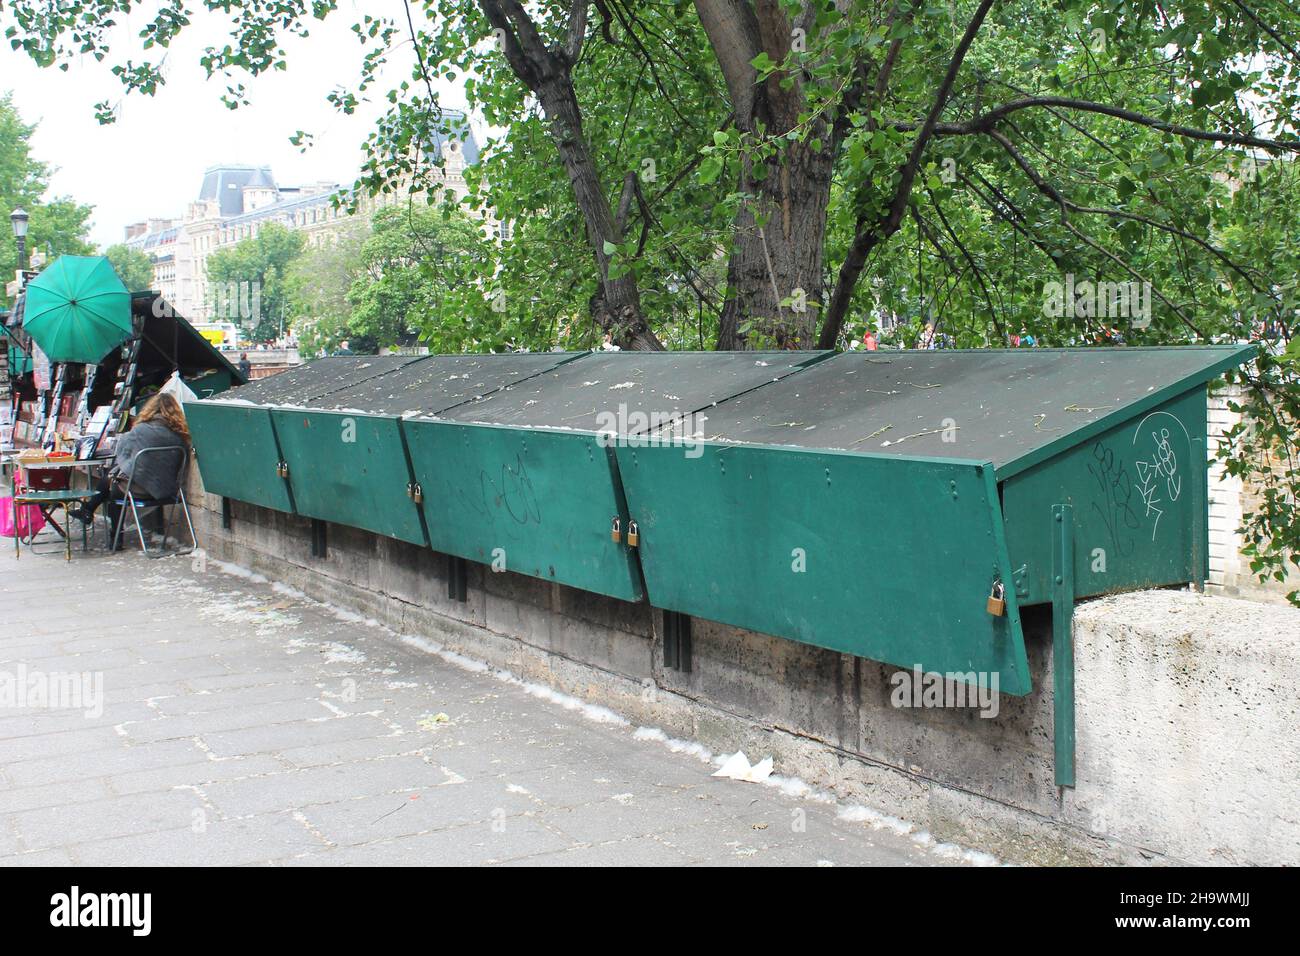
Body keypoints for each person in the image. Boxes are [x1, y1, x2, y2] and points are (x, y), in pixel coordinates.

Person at [72, 393, 191, 546]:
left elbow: (122, 453)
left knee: (113, 487)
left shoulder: (140, 430)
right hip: (168, 490)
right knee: (113, 480)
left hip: (141, 490)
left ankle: (113, 535)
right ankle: (88, 511)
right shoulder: (179, 435)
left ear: (150, 409)